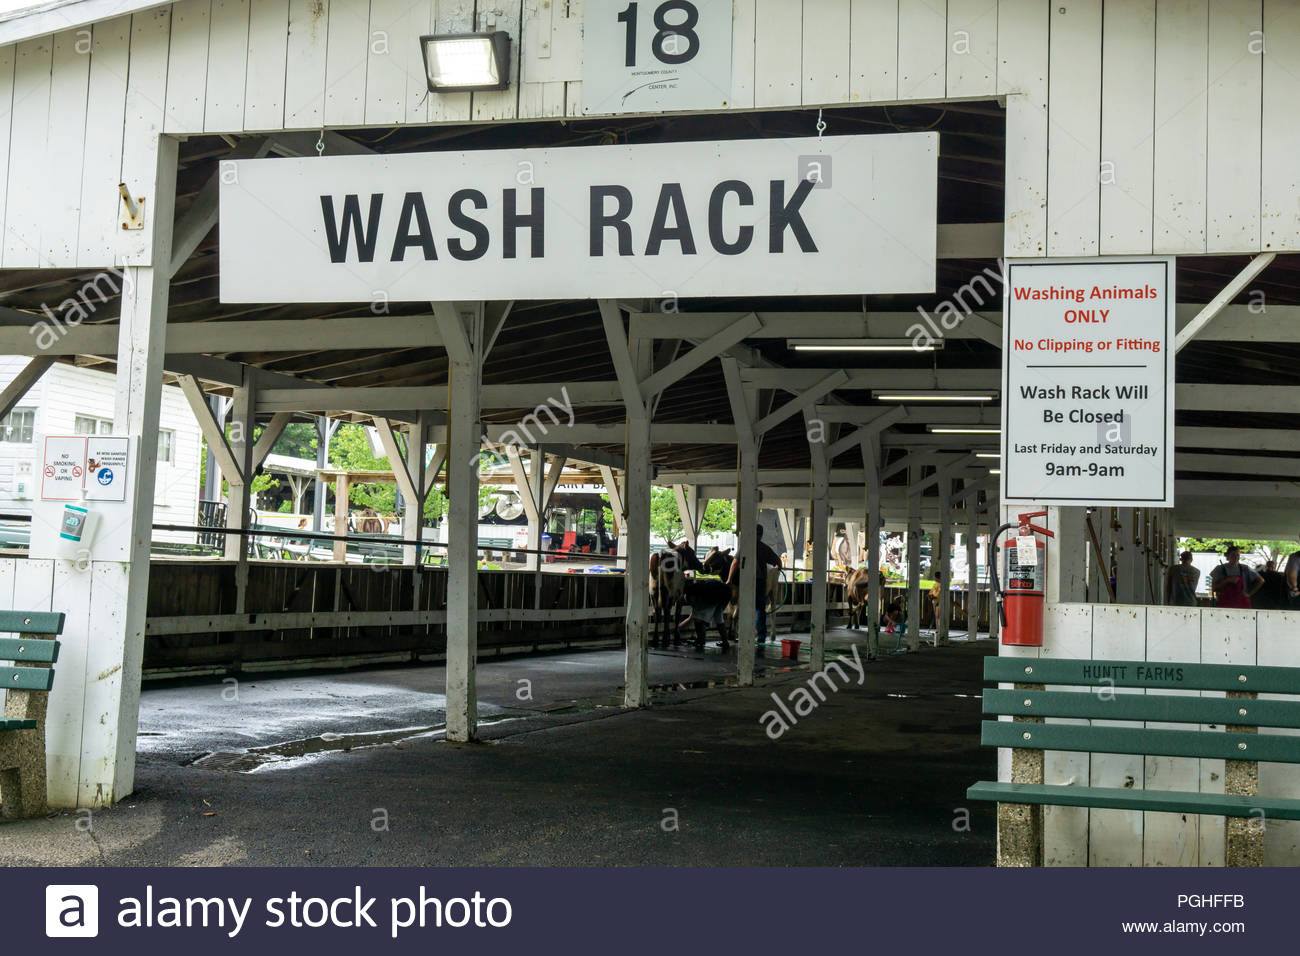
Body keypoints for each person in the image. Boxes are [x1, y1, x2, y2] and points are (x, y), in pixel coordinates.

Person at [728, 525, 783, 644]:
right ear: (761, 535)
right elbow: (777, 562)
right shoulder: (764, 548)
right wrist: (778, 567)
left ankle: (744, 633)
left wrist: (729, 580)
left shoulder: (745, 547)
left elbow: (734, 563)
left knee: (744, 607)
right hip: (760, 582)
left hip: (746, 582)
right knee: (759, 609)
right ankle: (761, 636)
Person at [1209, 544, 1263, 609]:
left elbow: (1261, 580)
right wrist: (1227, 580)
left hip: (1242, 604)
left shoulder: (1245, 568)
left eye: (1237, 555)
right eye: (1233, 555)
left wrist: (1249, 593)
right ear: (1227, 556)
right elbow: (1214, 588)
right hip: (1224, 604)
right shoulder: (1219, 569)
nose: (1236, 557)